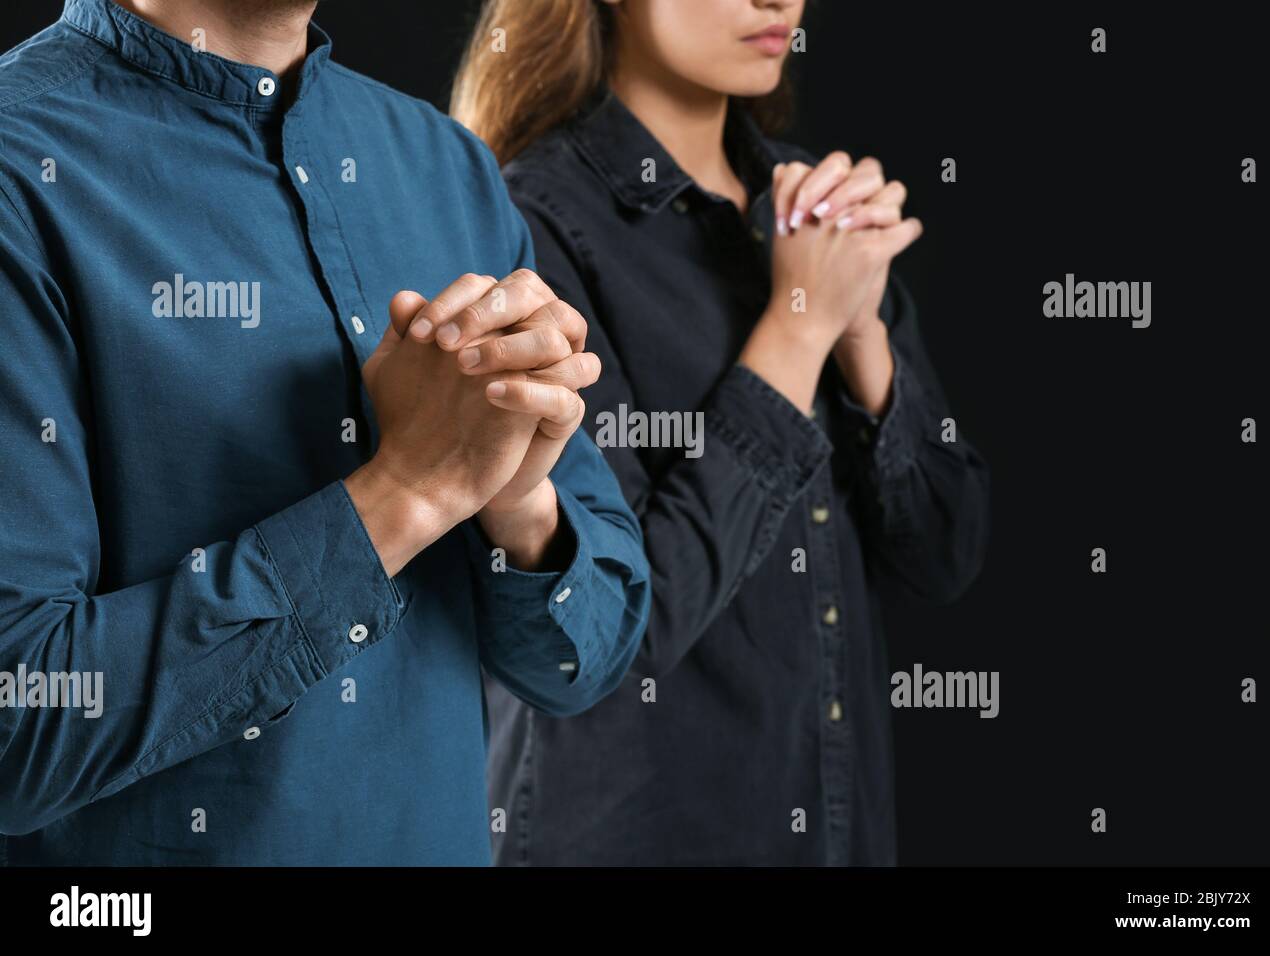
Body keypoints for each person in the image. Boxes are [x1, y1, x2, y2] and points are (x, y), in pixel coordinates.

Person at [0, 0, 650, 866]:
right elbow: (18, 728)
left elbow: (585, 659)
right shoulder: (18, 164)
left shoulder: (445, 163)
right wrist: (407, 494)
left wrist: (518, 499)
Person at [453, 0, 992, 865]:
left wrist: (861, 331)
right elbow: (621, 623)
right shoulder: (529, 225)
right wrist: (800, 324)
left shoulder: (813, 211)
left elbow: (946, 551)